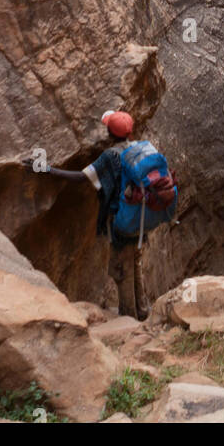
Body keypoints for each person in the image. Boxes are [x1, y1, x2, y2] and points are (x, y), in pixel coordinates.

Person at [40, 110, 152, 320]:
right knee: (135, 260)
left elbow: (81, 176)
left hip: (121, 219)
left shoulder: (110, 156)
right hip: (142, 216)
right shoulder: (139, 148)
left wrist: (47, 169)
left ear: (110, 132)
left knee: (120, 267)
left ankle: (129, 316)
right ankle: (143, 310)